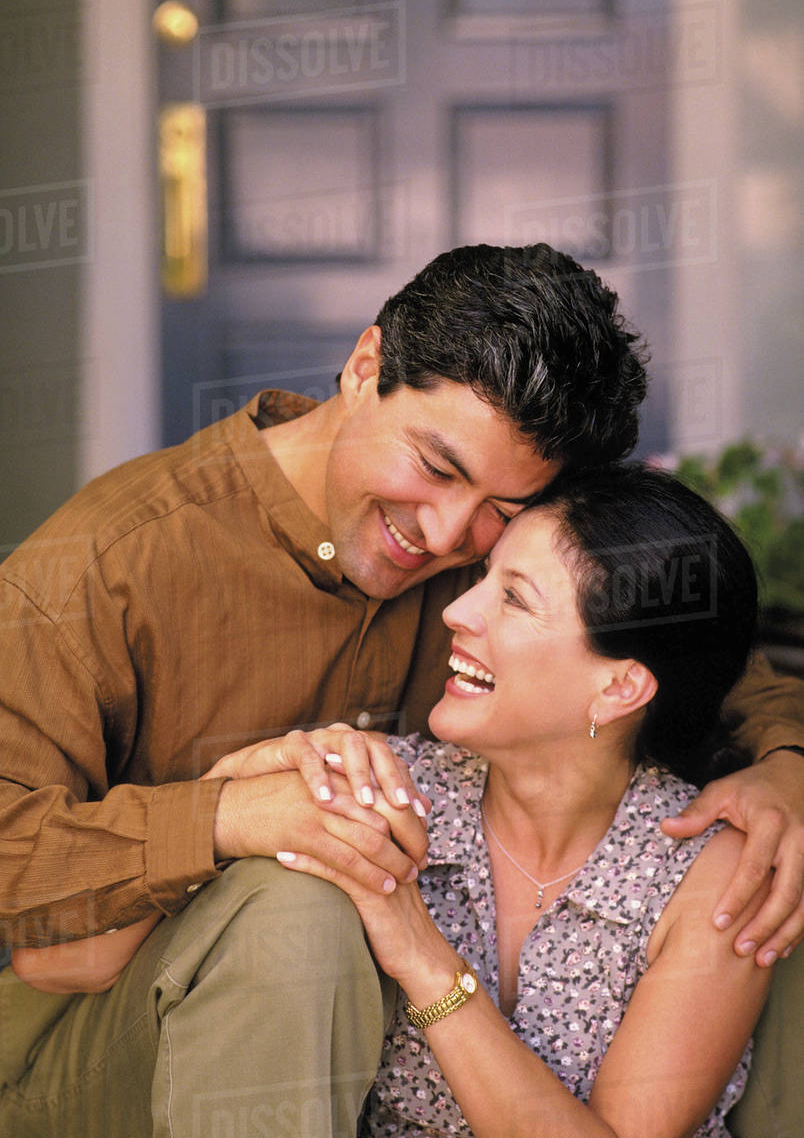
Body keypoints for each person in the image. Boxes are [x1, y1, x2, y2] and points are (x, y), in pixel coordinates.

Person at [0, 245, 801, 1137]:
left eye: (502, 514)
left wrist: (788, 768)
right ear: (365, 365)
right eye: (437, 467)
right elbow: (26, 893)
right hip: (96, 1050)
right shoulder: (108, 562)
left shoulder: (514, 560)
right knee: (298, 908)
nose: (449, 537)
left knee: (772, 883)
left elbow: (695, 661)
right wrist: (228, 816)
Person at [259, 465, 778, 1136]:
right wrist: (262, 763)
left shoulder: (712, 877)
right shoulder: (389, 790)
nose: (457, 612)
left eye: (515, 598)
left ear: (619, 688)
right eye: (484, 579)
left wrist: (420, 952)